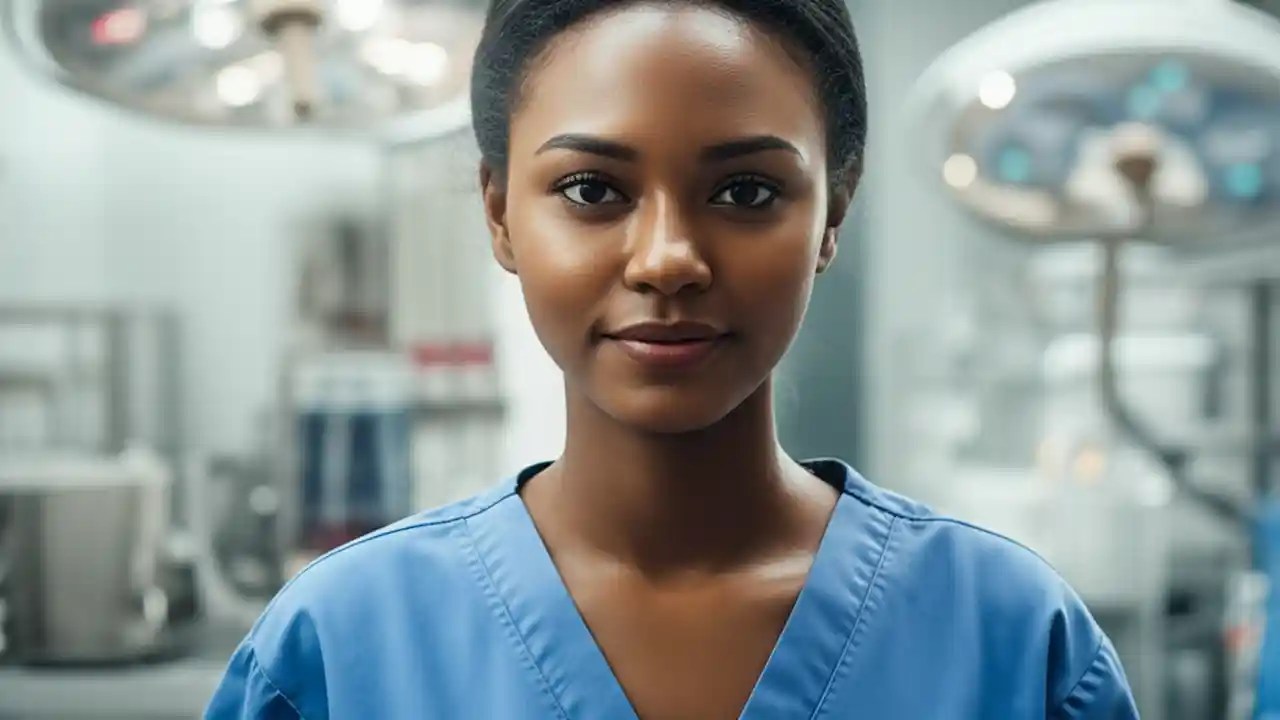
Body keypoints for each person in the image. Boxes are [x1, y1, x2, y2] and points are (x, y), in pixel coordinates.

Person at [205, 0, 1139, 717]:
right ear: (499, 212)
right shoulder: (341, 649)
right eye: (591, 189)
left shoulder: (1014, 645)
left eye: (746, 191)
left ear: (833, 214)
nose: (666, 260)